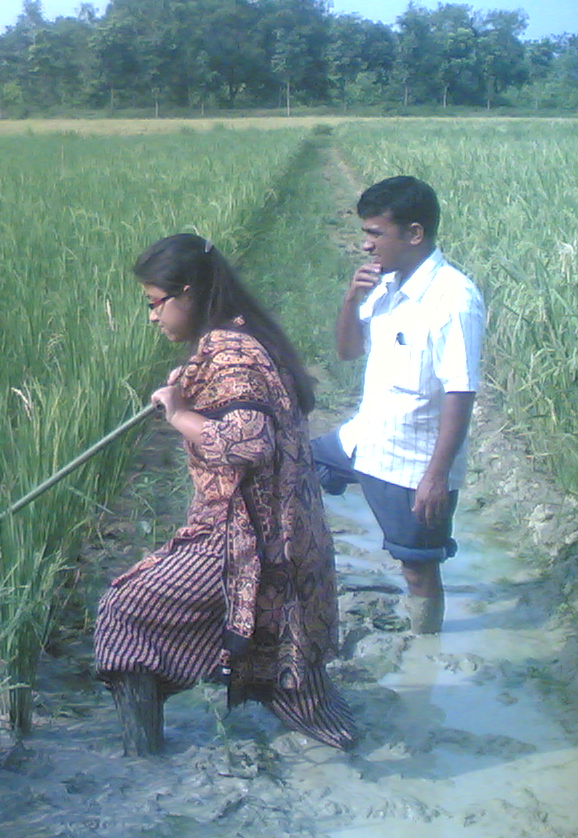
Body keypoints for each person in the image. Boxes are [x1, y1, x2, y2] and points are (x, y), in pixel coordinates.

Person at [94, 233, 357, 753]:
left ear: (187, 292)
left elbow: (248, 443)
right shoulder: (243, 337)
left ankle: (142, 759)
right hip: (282, 534)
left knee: (122, 610)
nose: (152, 317)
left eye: (155, 303)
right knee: (306, 696)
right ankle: (337, 738)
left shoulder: (230, 347)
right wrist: (190, 387)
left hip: (248, 540)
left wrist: (179, 414)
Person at [312, 175, 484, 635]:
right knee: (289, 469)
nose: (366, 246)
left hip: (412, 464)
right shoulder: (386, 286)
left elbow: (460, 391)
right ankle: (301, 583)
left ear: (414, 234)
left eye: (374, 233)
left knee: (419, 569)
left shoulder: (454, 299)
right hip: (364, 440)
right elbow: (348, 351)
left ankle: (426, 654)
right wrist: (352, 299)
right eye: (365, 233)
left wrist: (436, 476)